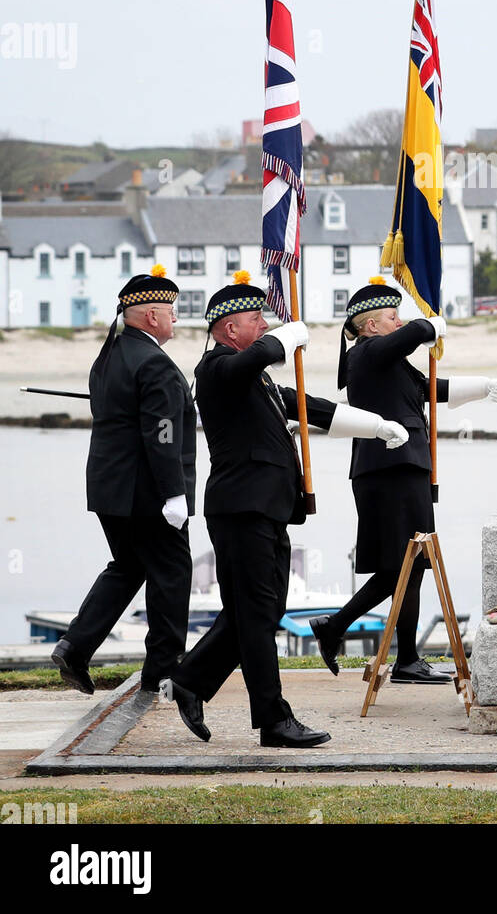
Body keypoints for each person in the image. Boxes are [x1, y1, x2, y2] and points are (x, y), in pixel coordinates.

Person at [165, 272, 408, 748]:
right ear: (228, 329)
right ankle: (273, 720)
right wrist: (284, 338)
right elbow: (254, 359)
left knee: (257, 611)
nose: (263, 325)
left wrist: (377, 426)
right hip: (242, 510)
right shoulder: (215, 371)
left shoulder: (256, 379)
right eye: (256, 320)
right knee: (255, 615)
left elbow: (309, 406)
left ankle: (190, 679)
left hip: (267, 510)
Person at [311, 278, 497, 684]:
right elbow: (414, 335)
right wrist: (429, 323)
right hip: (389, 469)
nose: (399, 321)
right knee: (401, 566)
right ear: (370, 326)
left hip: (403, 468)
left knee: (413, 564)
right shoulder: (366, 355)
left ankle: (402, 657)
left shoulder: (386, 359)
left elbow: (426, 389)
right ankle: (340, 629)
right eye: (392, 316)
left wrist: (481, 386)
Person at [51, 266, 195, 697]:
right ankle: (163, 670)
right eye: (169, 311)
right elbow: (162, 432)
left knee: (129, 567)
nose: (174, 319)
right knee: (172, 573)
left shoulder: (109, 355)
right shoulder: (155, 363)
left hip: (109, 490)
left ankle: (75, 645)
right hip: (148, 494)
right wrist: (174, 492)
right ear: (150, 316)